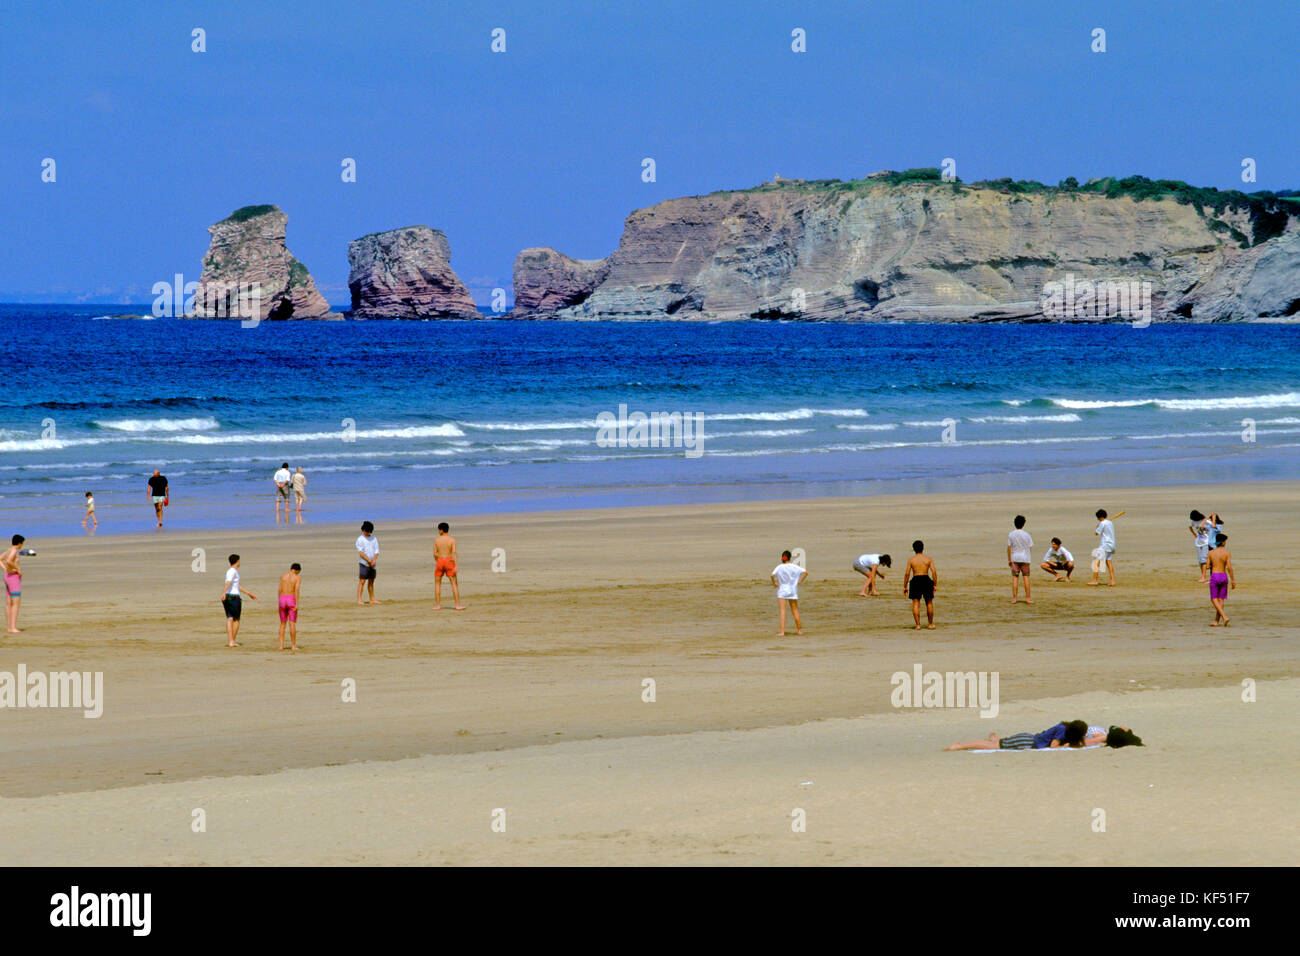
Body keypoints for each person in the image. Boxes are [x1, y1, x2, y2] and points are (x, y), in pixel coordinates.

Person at [945, 722, 1143, 750]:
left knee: (1000, 745)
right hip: (1030, 739)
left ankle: (963, 745)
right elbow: (1057, 744)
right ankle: (964, 745)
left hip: (1030, 738)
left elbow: (1080, 743)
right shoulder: (1063, 731)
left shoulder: (1102, 736)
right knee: (1000, 745)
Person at [221, 553, 257, 647]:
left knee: (229, 619)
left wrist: (249, 593)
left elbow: (236, 585)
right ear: (237, 561)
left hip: (228, 596)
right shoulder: (233, 571)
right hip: (233, 597)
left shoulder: (229, 571)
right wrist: (223, 592)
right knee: (236, 619)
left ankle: (231, 640)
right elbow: (228, 582)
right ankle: (232, 641)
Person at [770, 550, 807, 636]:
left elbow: (772, 575)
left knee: (783, 611)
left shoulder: (779, 567)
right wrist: (800, 581)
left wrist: (774, 583)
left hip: (782, 590)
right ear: (789, 558)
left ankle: (782, 632)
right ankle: (799, 631)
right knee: (795, 610)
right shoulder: (794, 567)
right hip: (792, 590)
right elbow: (806, 572)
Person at [902, 539, 937, 629]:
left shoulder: (911, 560)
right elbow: (933, 572)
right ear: (923, 548)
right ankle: (930, 624)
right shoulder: (928, 559)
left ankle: (918, 625)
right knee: (929, 602)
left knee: (916, 604)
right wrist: (935, 584)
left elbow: (907, 573)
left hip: (916, 579)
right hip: (926, 579)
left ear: (913, 549)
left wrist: (905, 586)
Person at [433, 522, 465, 610]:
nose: (438, 531)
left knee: (437, 583)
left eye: (439, 530)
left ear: (441, 530)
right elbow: (454, 552)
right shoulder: (452, 540)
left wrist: (438, 561)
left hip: (440, 560)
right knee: (454, 583)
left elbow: (435, 554)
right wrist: (456, 565)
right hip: (448, 560)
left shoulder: (437, 540)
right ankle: (457, 605)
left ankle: (438, 605)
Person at [1207, 533, 1235, 627]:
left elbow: (1207, 566)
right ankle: (1216, 621)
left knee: (1213, 598)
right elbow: (1229, 568)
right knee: (1221, 599)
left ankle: (1224, 616)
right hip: (1223, 576)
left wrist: (1213, 564)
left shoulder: (1211, 553)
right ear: (1223, 542)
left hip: (1215, 575)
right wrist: (1233, 580)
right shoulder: (1226, 553)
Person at [1007, 514, 1034, 605]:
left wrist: (1009, 559)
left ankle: (1014, 598)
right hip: (1025, 558)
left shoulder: (1011, 534)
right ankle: (1028, 598)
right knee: (1026, 577)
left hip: (1015, 558)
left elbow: (1009, 547)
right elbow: (1030, 547)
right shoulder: (1027, 534)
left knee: (1015, 578)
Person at [3, 534, 26, 634]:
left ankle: (9, 627)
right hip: (13, 578)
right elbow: (8, 561)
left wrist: (5, 569)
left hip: (7, 577)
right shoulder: (14, 551)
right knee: (15, 603)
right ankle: (13, 627)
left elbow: (1, 559)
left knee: (9, 603)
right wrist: (18, 569)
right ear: (20, 543)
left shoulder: (8, 550)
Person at [278, 563, 302, 651]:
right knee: (292, 623)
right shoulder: (297, 578)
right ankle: (293, 645)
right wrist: (297, 603)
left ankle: (281, 646)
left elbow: (279, 589)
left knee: (282, 624)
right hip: (291, 599)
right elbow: (296, 590)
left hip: (282, 599)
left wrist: (279, 601)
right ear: (297, 570)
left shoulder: (283, 576)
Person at [1089, 509, 1116, 586]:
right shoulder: (1110, 522)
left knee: (1096, 561)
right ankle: (1112, 580)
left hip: (1104, 545)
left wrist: (1097, 526)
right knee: (1108, 561)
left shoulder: (1102, 523)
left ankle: (1094, 580)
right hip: (1112, 544)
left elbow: (1096, 533)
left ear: (1099, 517)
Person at [356, 521, 381, 605]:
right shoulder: (360, 539)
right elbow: (361, 553)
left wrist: (373, 560)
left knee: (371, 581)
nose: (366, 533)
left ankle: (372, 598)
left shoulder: (374, 538)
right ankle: (359, 599)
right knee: (362, 581)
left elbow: (376, 550)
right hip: (364, 563)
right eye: (366, 531)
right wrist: (369, 561)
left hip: (373, 563)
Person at [1188, 510, 1211, 582]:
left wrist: (1208, 532)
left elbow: (1213, 526)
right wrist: (1194, 534)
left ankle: (1204, 577)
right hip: (1198, 542)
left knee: (1203, 559)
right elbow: (1190, 527)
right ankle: (1203, 576)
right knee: (1200, 560)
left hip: (1206, 542)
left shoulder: (1205, 521)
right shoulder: (1193, 521)